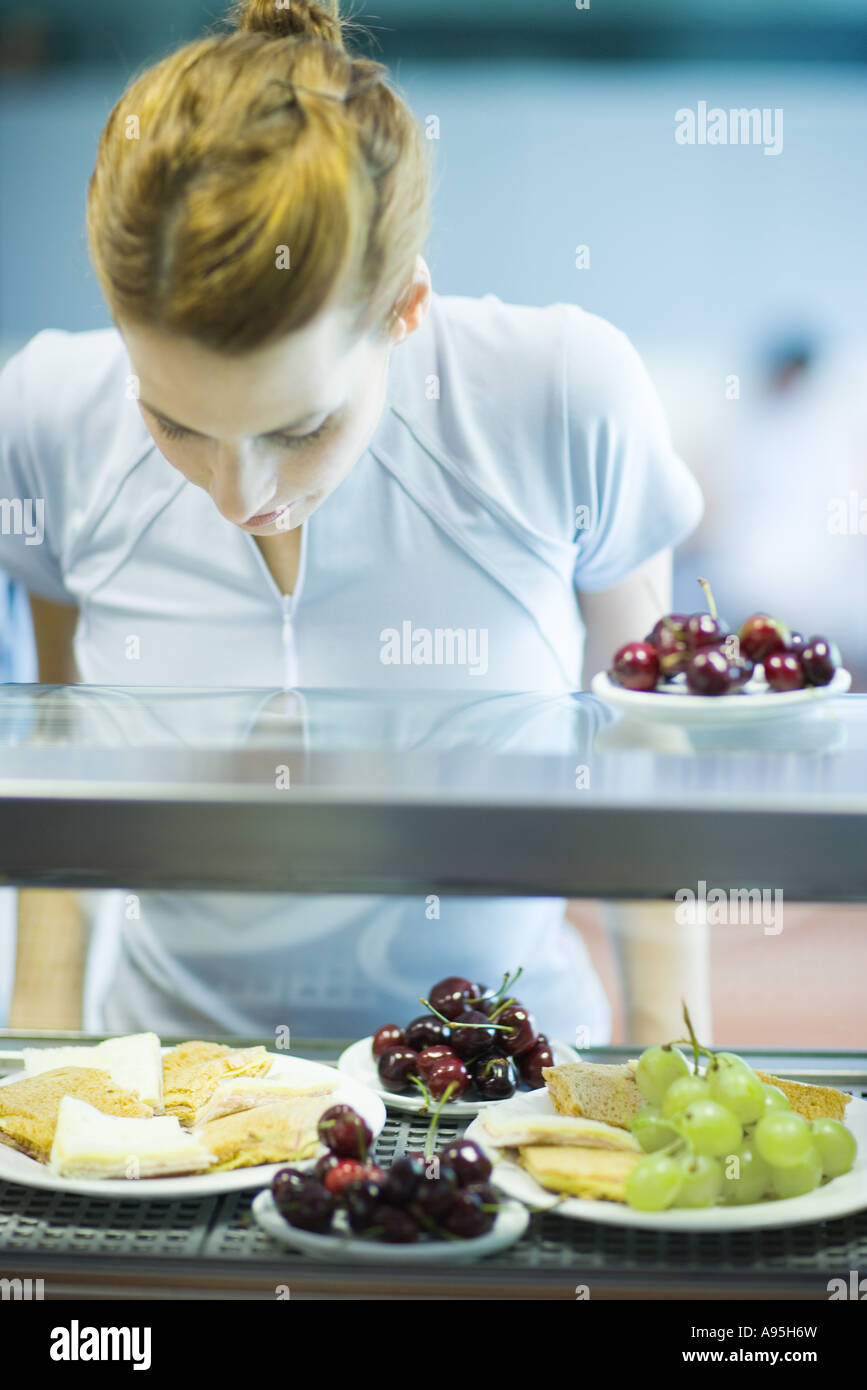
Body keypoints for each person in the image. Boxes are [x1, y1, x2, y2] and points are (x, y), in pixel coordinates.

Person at [0, 0, 707, 1045]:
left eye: (298, 426)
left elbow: (659, 762)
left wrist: (664, 1077)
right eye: (177, 423)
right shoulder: (49, 415)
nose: (238, 495)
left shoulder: (563, 394)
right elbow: (65, 775)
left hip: (504, 1084)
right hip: (179, 1098)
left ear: (404, 309)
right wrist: (43, 1078)